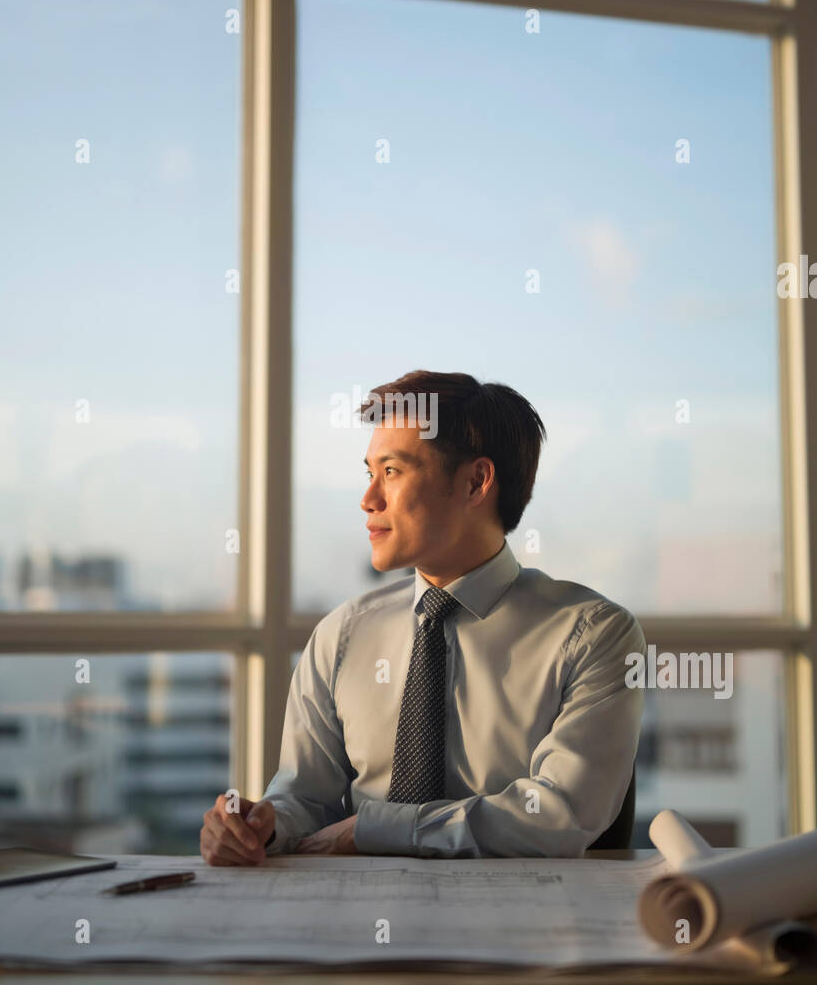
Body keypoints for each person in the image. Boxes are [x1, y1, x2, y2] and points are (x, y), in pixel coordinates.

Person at [200, 369, 645, 865]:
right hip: (358, 928)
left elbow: (560, 814)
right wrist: (261, 827)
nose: (368, 500)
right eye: (370, 474)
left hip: (522, 930)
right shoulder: (342, 635)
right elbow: (305, 799)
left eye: (392, 472)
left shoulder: (594, 636)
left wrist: (374, 830)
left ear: (476, 482)